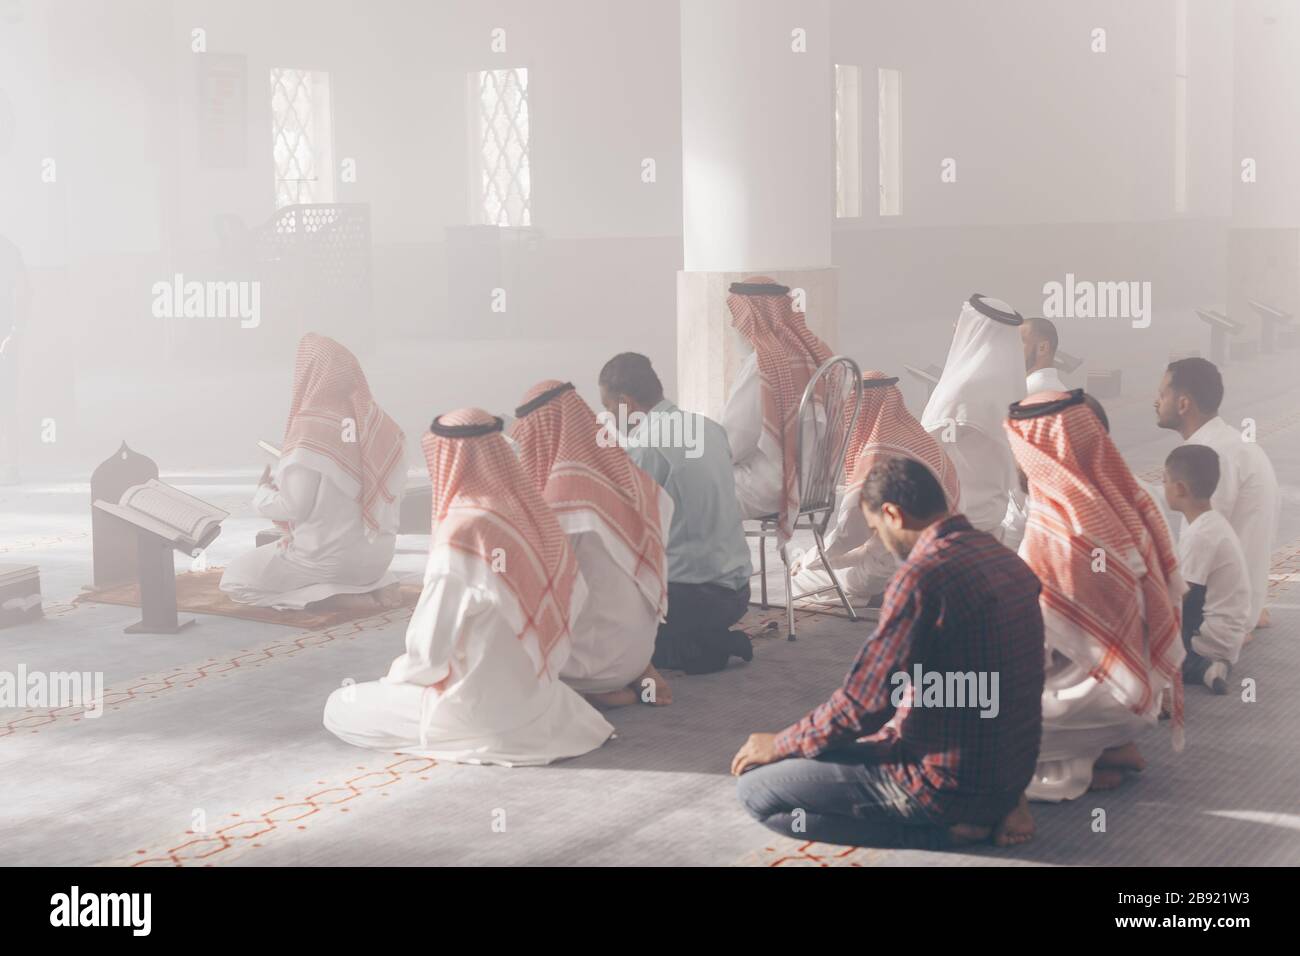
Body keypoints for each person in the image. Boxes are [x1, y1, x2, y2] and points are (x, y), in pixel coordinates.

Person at [733, 455, 1045, 849]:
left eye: (877, 528)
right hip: (1010, 776)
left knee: (759, 791)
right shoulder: (1002, 557)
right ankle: (985, 809)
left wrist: (779, 744)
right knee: (822, 748)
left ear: (893, 514)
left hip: (943, 784)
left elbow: (863, 705)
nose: (879, 540)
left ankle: (949, 830)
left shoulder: (923, 575)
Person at [323, 408, 614, 765]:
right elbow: (576, 595)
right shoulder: (533, 514)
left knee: (339, 706)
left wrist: (396, 681)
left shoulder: (462, 531)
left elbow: (427, 657)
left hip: (478, 709)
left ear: (447, 458)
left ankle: (468, 732)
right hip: (539, 697)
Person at [1006, 390, 1185, 802]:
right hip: (1139, 694)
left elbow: (1026, 657)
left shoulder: (1052, 537)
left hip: (1091, 702)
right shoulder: (1135, 503)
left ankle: (1074, 763)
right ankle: (1105, 747)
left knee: (964, 720)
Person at [511, 379, 674, 708]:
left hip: (596, 664)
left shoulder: (559, 502)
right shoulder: (629, 476)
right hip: (640, 649)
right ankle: (639, 671)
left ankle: (594, 690)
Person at [220, 333, 406, 609]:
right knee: (349, 550)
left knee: (235, 579)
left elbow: (293, 508)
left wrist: (262, 493)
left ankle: (331, 598)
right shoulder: (384, 427)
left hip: (328, 561)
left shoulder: (311, 429)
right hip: (379, 558)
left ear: (309, 375)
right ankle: (376, 585)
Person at [598, 352, 754, 674]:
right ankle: (706, 637)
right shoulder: (710, 429)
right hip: (737, 594)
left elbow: (626, 528)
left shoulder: (645, 446)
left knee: (607, 630)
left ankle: (705, 646)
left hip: (692, 600)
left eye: (610, 407)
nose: (610, 416)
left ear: (625, 401)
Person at [791, 370, 960, 605]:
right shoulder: (922, 440)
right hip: (938, 556)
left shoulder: (876, 456)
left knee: (799, 578)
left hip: (891, 566)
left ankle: (883, 594)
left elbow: (850, 533)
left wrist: (810, 559)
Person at [1155, 357, 1280, 631]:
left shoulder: (1211, 456)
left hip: (1221, 616)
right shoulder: (1233, 444)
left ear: (1184, 404)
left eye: (1162, 395)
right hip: (1243, 605)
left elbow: (1201, 552)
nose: (1157, 402)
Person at [721, 279, 832, 540]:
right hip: (816, 484)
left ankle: (713, 574)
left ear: (752, 317)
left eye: (736, 316)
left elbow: (733, 444)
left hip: (772, 485)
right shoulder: (814, 354)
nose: (734, 325)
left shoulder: (764, 364)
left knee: (688, 490)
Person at [921, 295, 1025, 541]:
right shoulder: (1009, 385)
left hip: (953, 523)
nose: (955, 328)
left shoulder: (964, 388)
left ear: (975, 330)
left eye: (962, 322)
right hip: (990, 517)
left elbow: (923, 452)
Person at [1164, 444, 1251, 695]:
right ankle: (1208, 668)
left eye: (1165, 480)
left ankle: (1201, 667)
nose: (1164, 488)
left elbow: (1183, 597)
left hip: (1208, 640)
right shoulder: (1210, 524)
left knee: (1147, 649)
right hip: (1226, 637)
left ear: (1180, 488)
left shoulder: (1201, 534)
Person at [0, 235, 29, 486]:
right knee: (7, 403)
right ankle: (11, 466)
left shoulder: (8, 250)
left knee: (7, 403)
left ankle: (11, 465)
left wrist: (15, 333)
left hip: (4, 338)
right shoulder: (10, 250)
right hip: (7, 336)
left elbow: (22, 293)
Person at [1021, 316, 1067, 394]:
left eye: (1020, 341)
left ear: (1042, 348)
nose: (1012, 348)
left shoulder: (1029, 390)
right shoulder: (1058, 387)